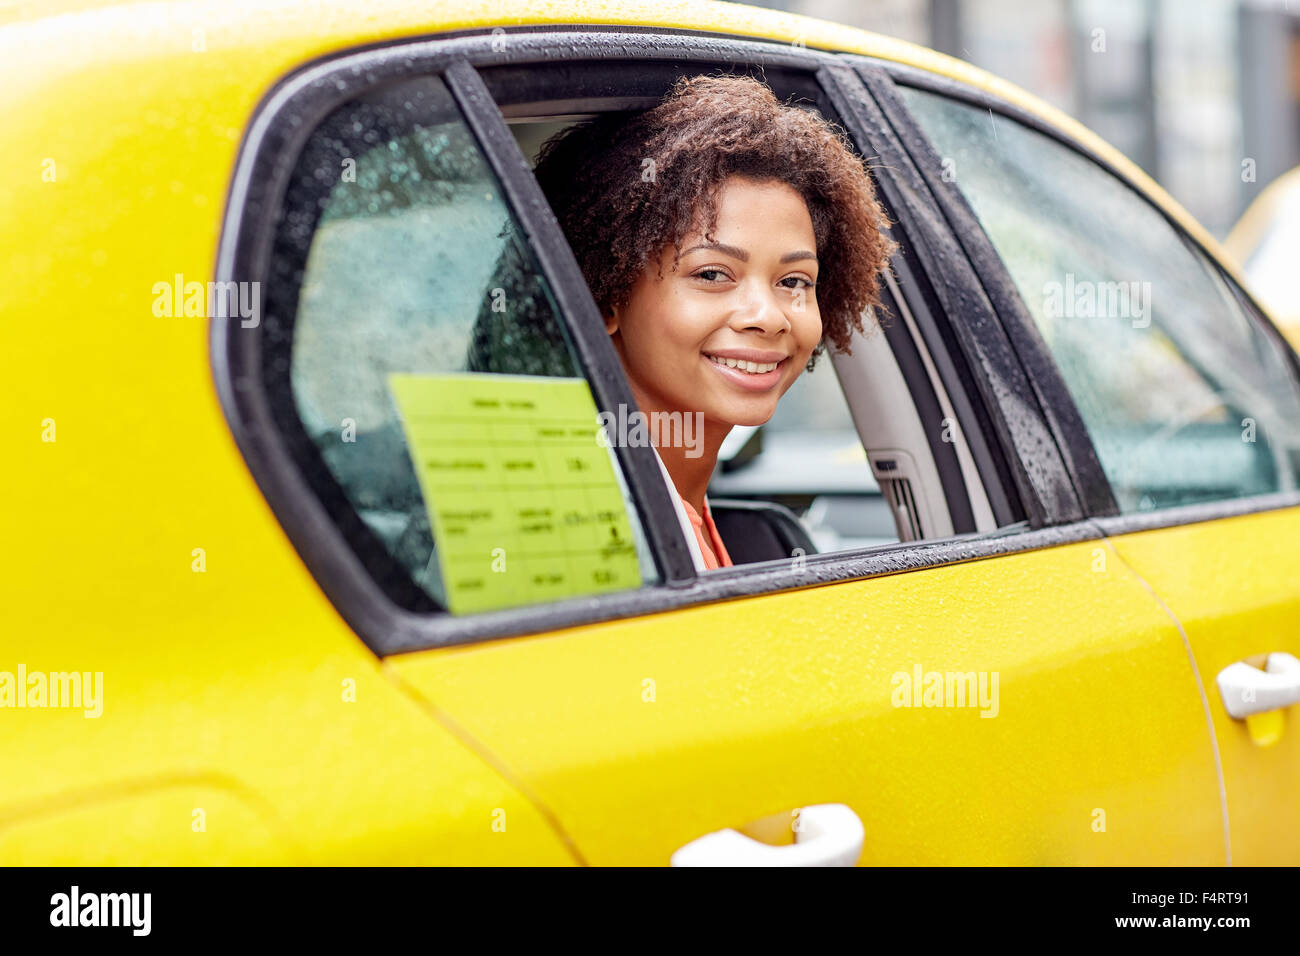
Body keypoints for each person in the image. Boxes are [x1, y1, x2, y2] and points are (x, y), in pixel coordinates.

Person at [532, 73, 895, 568]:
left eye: (794, 281)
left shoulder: (677, 514)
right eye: (712, 273)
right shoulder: (583, 535)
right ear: (606, 298)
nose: (767, 317)